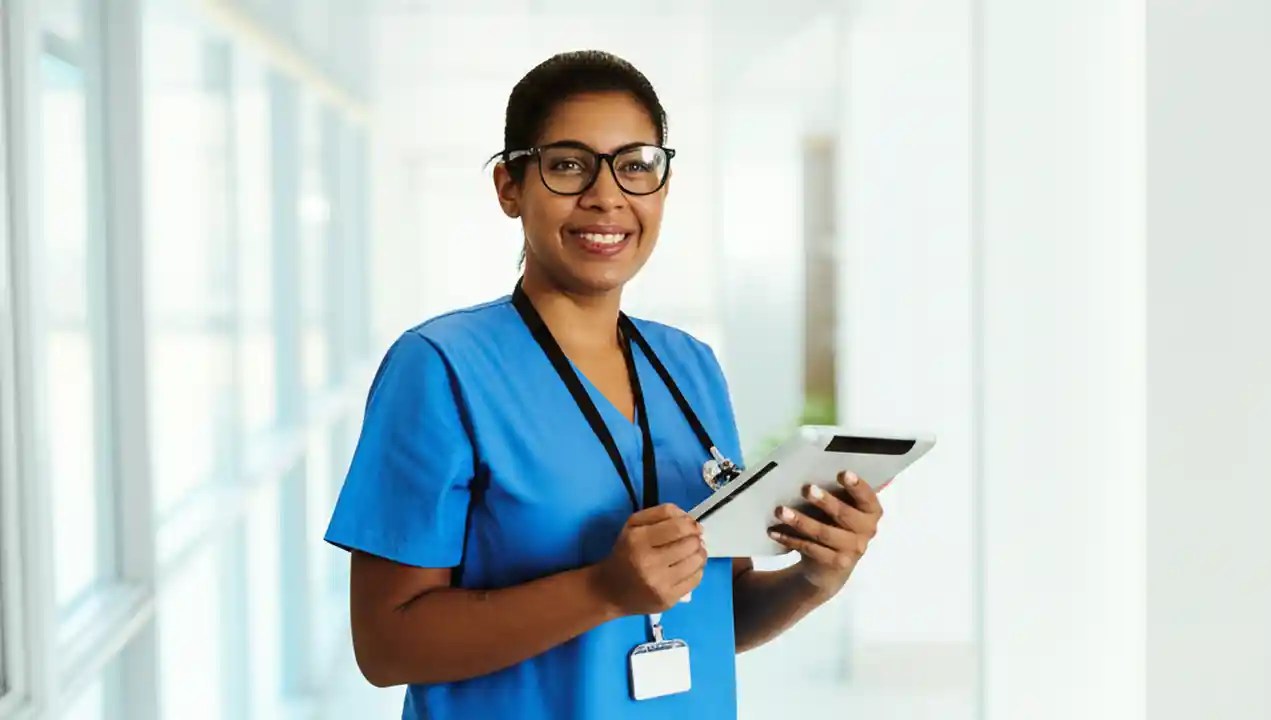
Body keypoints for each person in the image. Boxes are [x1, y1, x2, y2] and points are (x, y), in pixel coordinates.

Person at [324, 50, 885, 720]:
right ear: (509, 186)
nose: (607, 195)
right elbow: (387, 645)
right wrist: (603, 591)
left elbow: (710, 612)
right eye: (568, 164)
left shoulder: (690, 367)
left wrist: (814, 578)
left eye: (635, 165)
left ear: (663, 188)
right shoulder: (440, 367)